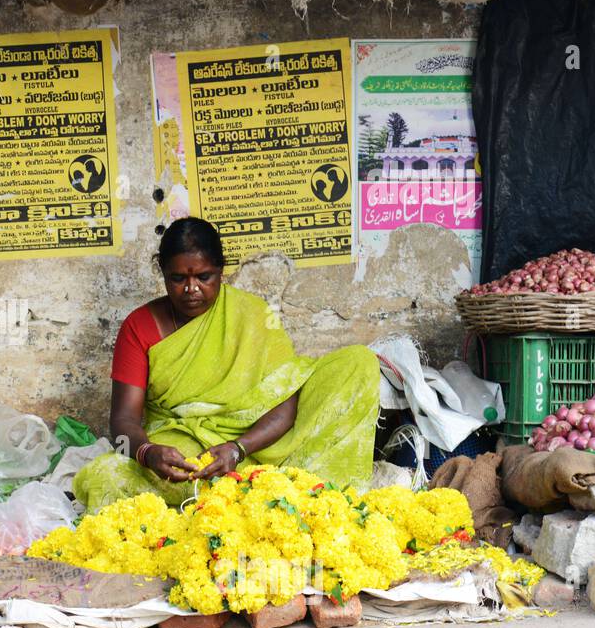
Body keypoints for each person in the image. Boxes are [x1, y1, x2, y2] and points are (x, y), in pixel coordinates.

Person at [73, 217, 380, 512]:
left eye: (203, 277)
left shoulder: (254, 314)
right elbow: (123, 421)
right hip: (190, 448)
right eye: (178, 278)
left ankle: (290, 485)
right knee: (106, 475)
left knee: (356, 363)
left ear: (221, 271)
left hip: (261, 442)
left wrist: (237, 448)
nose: (191, 289)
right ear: (163, 274)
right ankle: (266, 488)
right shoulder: (139, 326)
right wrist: (147, 453)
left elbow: (285, 406)